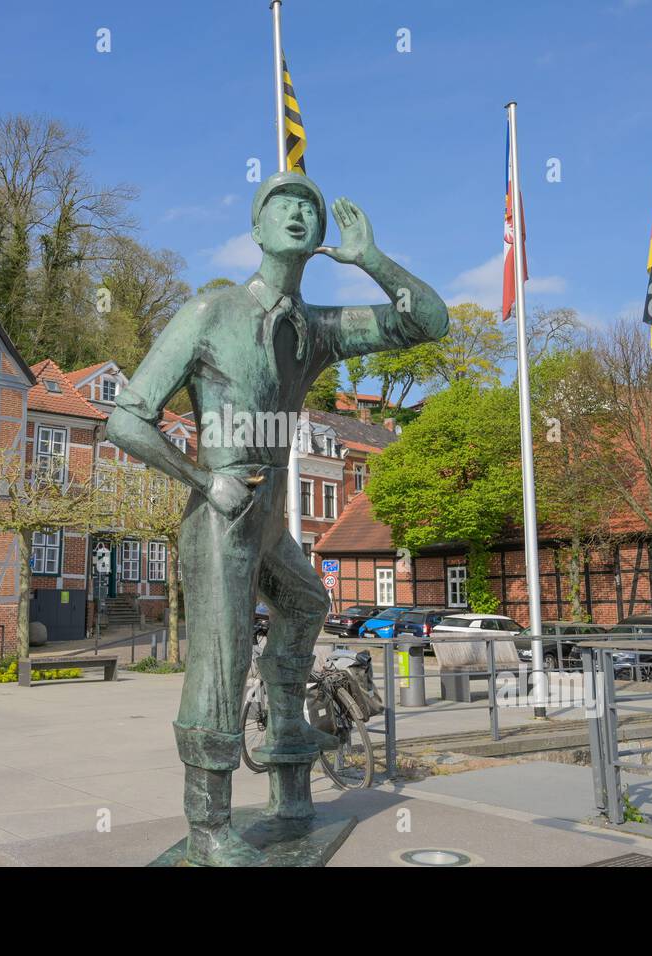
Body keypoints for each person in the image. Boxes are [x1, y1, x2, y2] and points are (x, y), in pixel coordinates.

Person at [107, 171, 448, 865]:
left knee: (307, 600)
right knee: (221, 658)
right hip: (221, 512)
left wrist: (372, 261)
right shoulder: (210, 313)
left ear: (320, 237)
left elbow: (426, 322)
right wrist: (204, 480)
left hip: (267, 518)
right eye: (281, 205)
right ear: (256, 228)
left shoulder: (317, 329)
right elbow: (126, 418)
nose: (296, 216)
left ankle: (289, 749)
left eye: (308, 210)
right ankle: (208, 826)